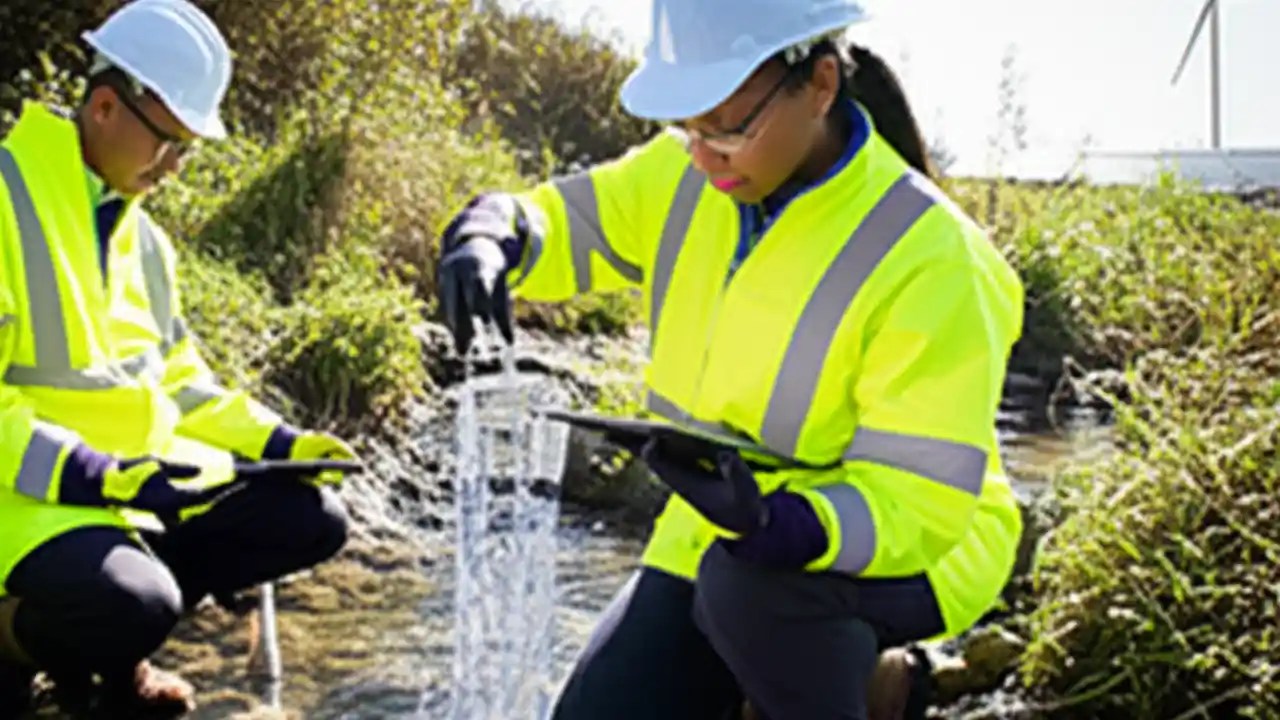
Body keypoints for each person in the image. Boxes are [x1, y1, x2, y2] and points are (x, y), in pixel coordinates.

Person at [435, 0, 1025, 718]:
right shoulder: (689, 175)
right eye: (687, 127)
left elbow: (919, 497)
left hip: (918, 540)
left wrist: (787, 526)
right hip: (724, 526)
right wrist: (499, 229)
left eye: (728, 128)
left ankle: (884, 685)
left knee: (751, 596)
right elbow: (572, 220)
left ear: (821, 85)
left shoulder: (935, 258)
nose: (703, 154)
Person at [0, 0, 357, 714]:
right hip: (27, 499)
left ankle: (110, 652)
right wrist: (97, 475)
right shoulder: (4, 201)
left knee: (311, 516)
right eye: (169, 143)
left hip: (125, 494)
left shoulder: (147, 242)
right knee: (135, 601)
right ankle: (14, 641)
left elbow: (182, 384)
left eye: (189, 149)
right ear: (104, 106)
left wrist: (282, 442)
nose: (175, 167)